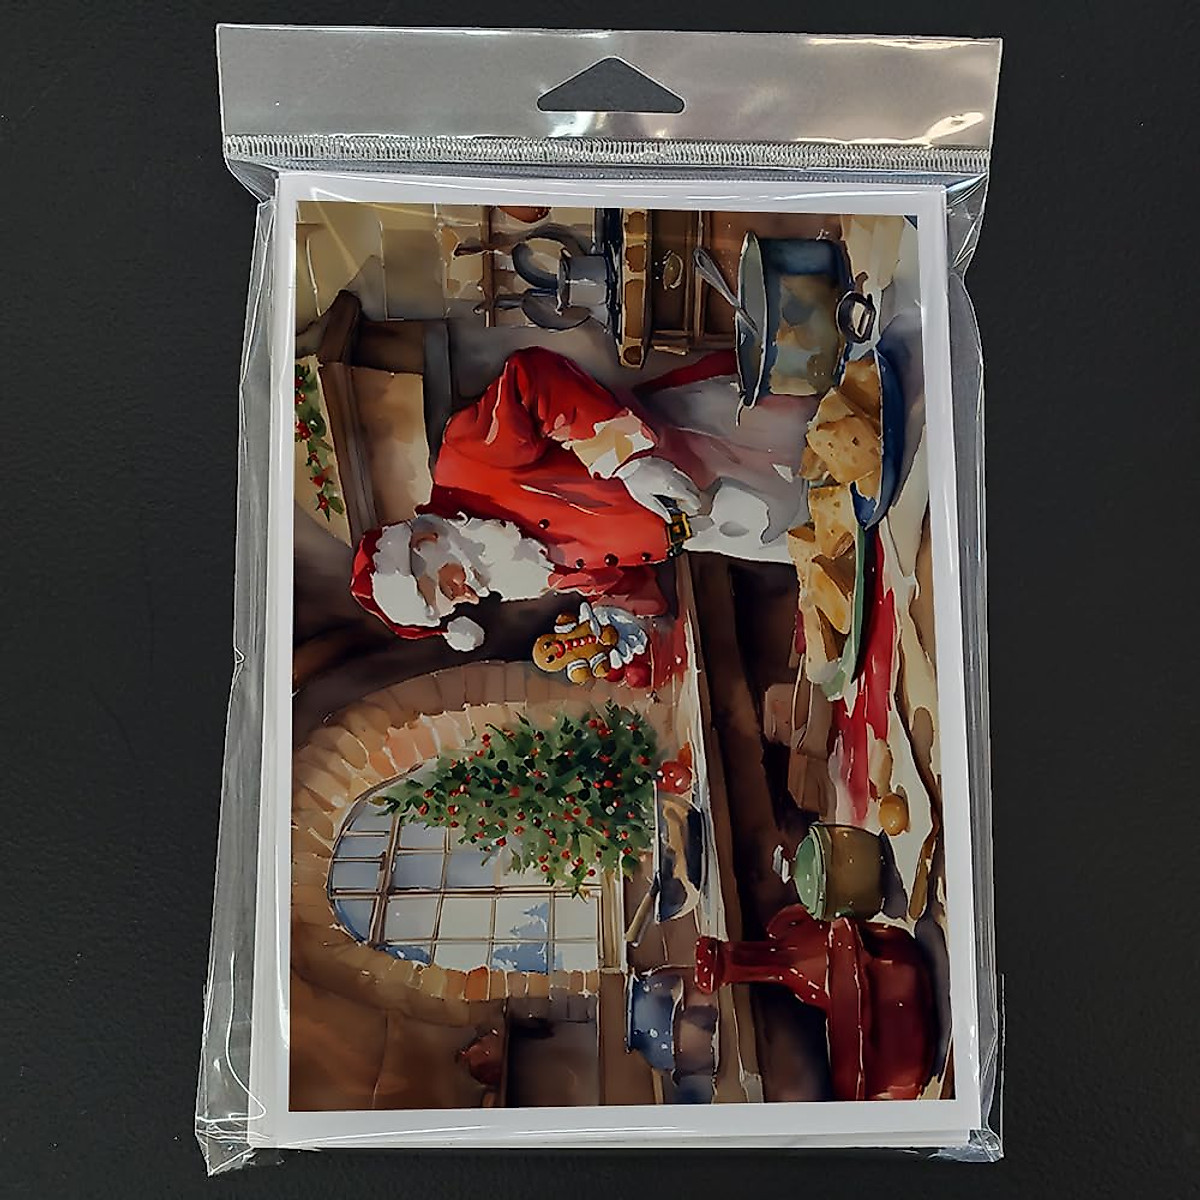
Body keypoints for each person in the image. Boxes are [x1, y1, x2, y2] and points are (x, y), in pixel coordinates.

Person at [351, 346, 813, 650]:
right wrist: (624, 614)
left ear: (424, 543)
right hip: (715, 531)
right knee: (827, 540)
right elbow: (607, 571)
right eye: (455, 605)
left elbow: (531, 379)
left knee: (830, 444)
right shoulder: (510, 570)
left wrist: (626, 460)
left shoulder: (466, 460)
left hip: (703, 438)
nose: (468, 595)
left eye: (446, 588)